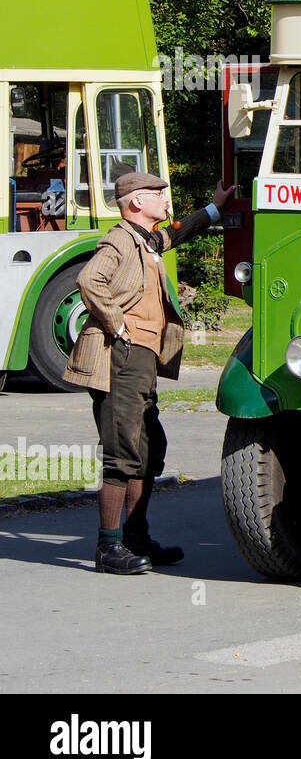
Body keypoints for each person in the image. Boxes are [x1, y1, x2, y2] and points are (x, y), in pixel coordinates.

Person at [63, 172, 234, 574]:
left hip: (141, 357)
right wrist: (117, 325)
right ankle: (109, 547)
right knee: (123, 451)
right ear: (136, 202)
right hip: (122, 355)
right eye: (159, 196)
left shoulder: (146, 239)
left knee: (148, 448)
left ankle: (136, 537)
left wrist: (215, 207)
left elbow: (177, 233)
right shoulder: (119, 239)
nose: (166, 202)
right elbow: (89, 279)